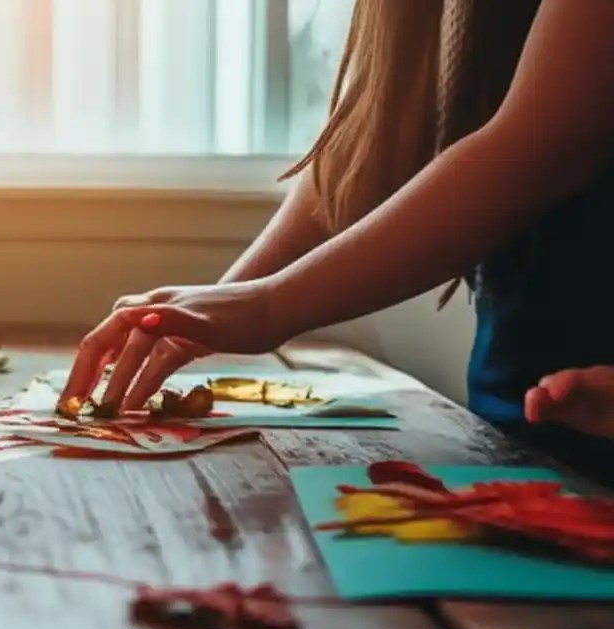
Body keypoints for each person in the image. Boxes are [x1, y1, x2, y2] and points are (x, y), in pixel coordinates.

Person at [61, 0, 614, 476]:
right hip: (520, 409)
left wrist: (268, 305)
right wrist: (223, 303)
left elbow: (540, 147)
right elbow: (369, 141)